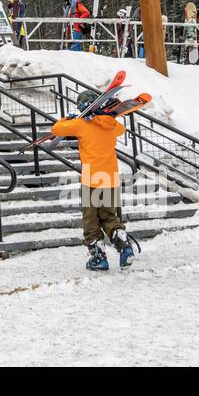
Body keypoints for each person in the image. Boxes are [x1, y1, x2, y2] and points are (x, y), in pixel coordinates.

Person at [50, 91, 136, 270]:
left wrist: (67, 118)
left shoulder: (81, 124)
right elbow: (121, 129)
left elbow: (56, 129)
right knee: (109, 217)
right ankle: (124, 247)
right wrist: (107, 116)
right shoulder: (111, 124)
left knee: (91, 221)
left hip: (92, 179)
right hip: (111, 178)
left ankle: (98, 258)